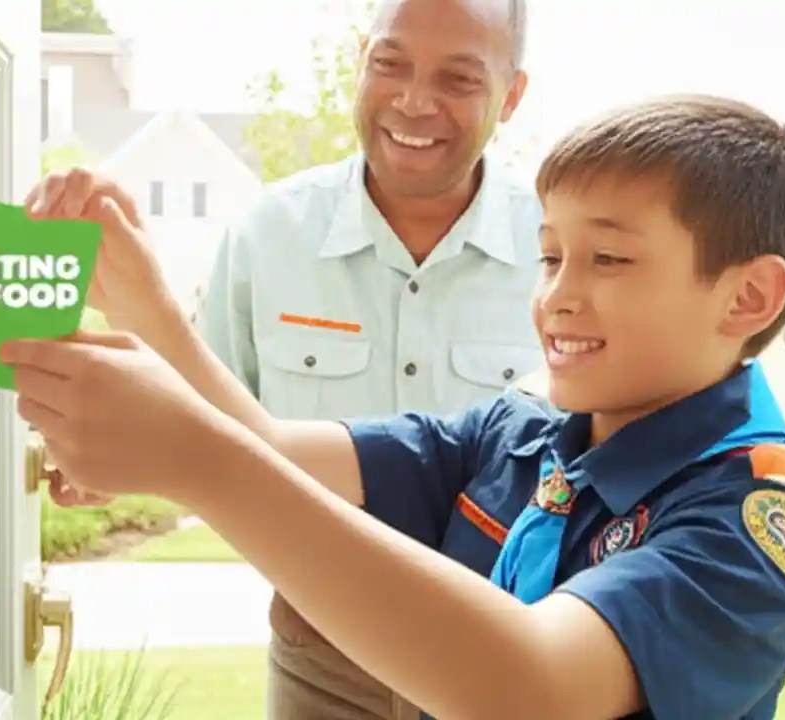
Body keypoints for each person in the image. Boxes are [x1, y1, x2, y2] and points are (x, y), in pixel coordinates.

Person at [9, 93, 785, 720]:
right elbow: (268, 448)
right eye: (549, 256)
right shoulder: (518, 435)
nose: (557, 298)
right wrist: (147, 309)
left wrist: (197, 459)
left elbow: (529, 688)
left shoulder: (750, 519)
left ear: (748, 296)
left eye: (608, 257)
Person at [195, 0, 542, 715]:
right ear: (362, 61)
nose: (415, 102)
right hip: (319, 656)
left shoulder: (561, 251)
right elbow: (202, 426)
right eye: (391, 64)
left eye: (458, 78)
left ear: (511, 96)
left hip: (512, 660)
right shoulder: (267, 236)